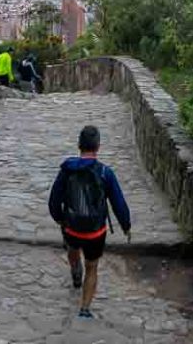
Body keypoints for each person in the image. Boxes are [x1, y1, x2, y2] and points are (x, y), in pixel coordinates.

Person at [47, 125, 131, 319]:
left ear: (79, 145)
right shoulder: (105, 173)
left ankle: (76, 269)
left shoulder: (67, 170)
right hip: (95, 232)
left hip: (71, 227)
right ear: (98, 147)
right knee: (92, 267)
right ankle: (84, 309)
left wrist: (60, 219)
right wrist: (126, 226)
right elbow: (118, 202)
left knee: (72, 249)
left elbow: (54, 200)